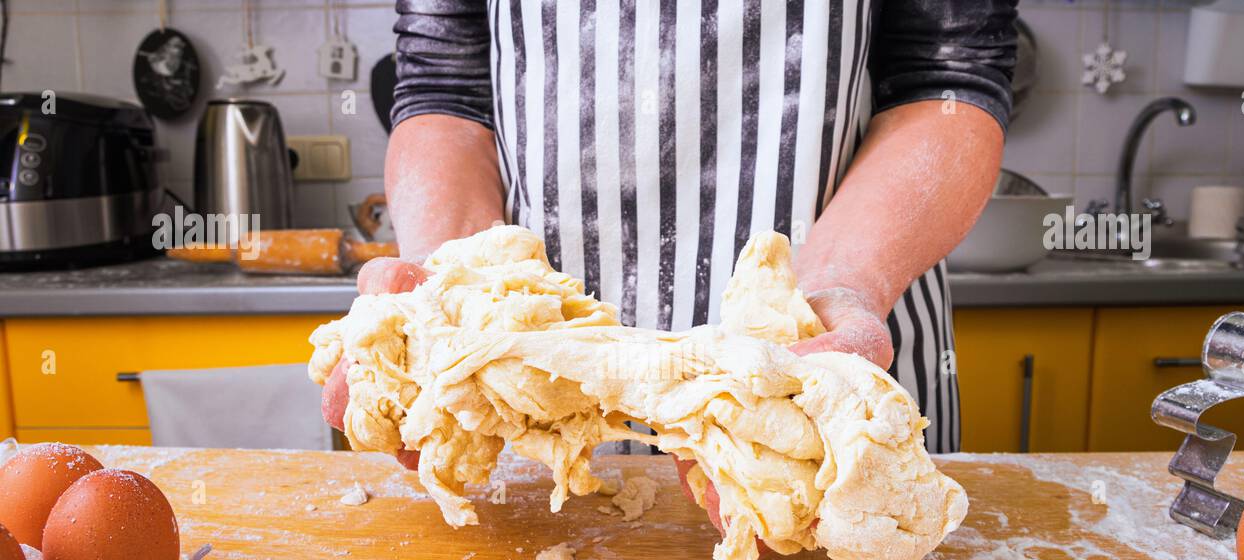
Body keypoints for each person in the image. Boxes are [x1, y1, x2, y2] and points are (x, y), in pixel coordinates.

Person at [323, 0, 1016, 525]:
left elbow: (948, 76)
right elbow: (447, 87)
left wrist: (844, 282)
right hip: (530, 408)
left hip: (826, 360)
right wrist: (449, 290)